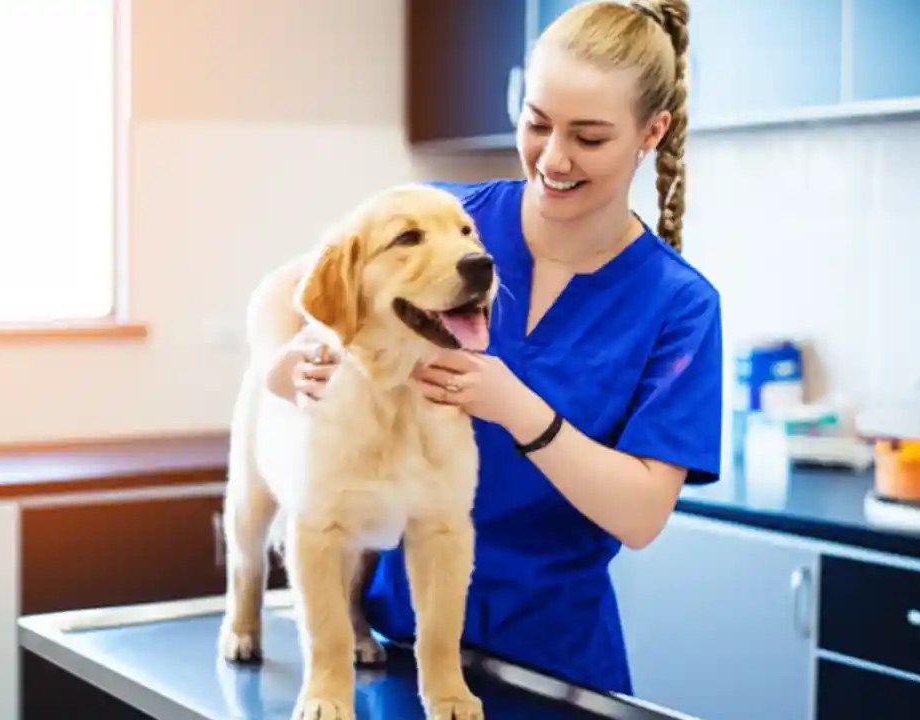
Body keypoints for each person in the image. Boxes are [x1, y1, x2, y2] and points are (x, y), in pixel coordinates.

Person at [255, 0, 720, 696]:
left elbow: (642, 514)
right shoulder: (444, 219)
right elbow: (284, 286)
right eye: (537, 123)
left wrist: (522, 411)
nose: (553, 157)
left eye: (589, 138)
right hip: (395, 647)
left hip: (555, 663)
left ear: (652, 132)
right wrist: (281, 366)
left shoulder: (679, 304)